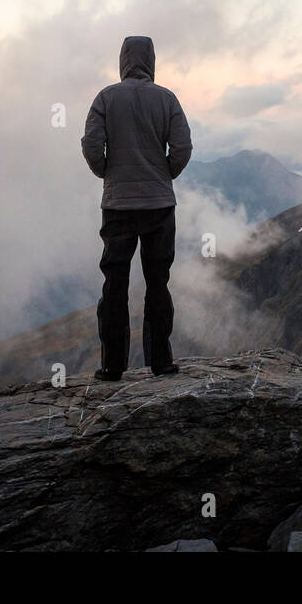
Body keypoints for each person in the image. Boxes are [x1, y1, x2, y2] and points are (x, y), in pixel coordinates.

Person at [81, 36, 192, 379]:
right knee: (158, 282)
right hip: (159, 205)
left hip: (118, 208)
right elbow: (183, 146)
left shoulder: (105, 98)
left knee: (115, 284)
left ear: (123, 60)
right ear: (152, 61)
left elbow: (91, 144)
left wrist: (107, 173)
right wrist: (165, 174)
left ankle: (112, 366)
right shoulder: (167, 99)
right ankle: (160, 362)